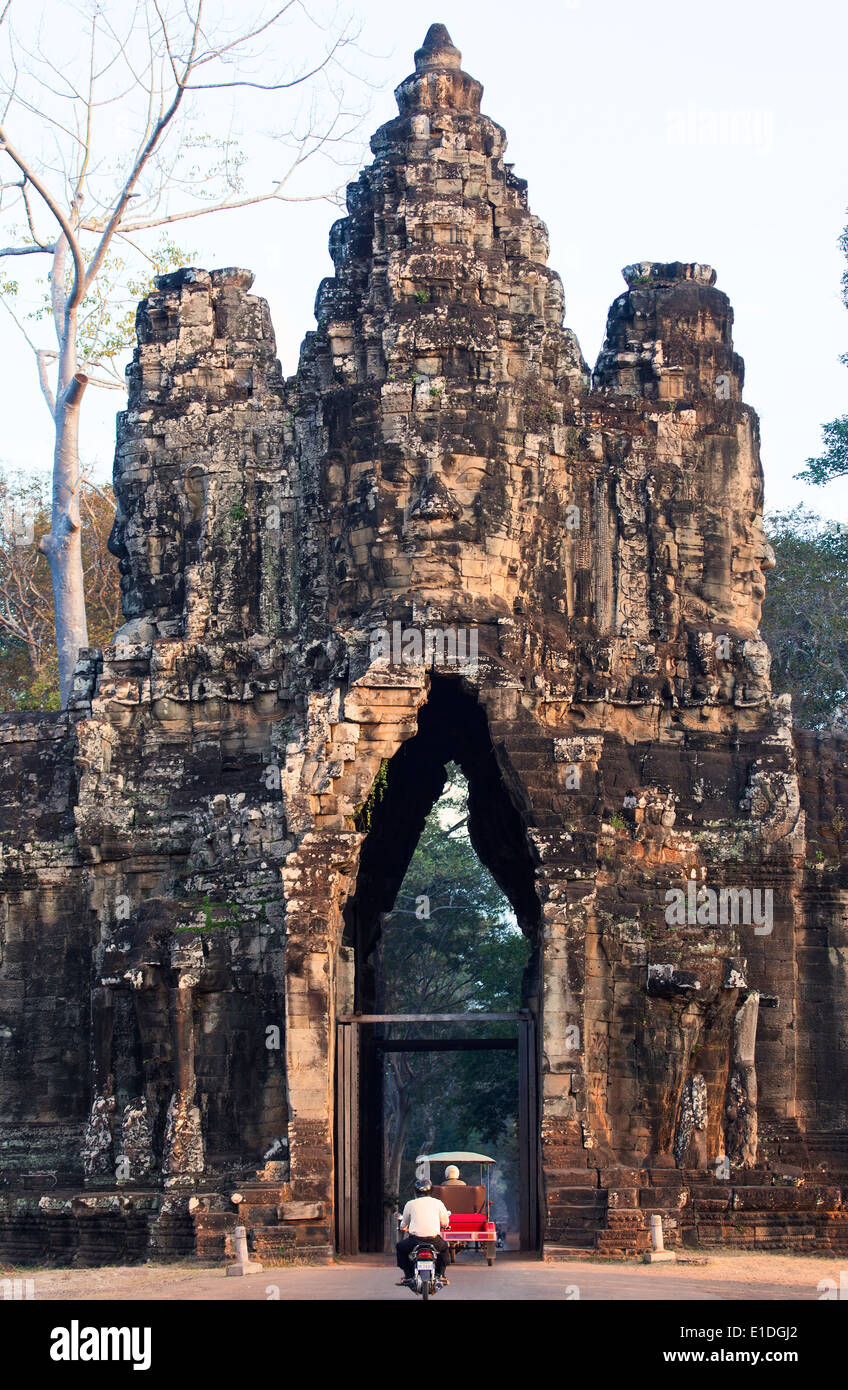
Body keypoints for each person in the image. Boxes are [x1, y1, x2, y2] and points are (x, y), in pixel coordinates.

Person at [396, 1178, 451, 1285]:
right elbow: (445, 1222)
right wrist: (445, 1226)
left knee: (400, 1247)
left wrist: (403, 1227)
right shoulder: (438, 1203)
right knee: (444, 1248)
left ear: (415, 1191)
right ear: (431, 1190)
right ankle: (441, 1275)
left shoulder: (410, 1204)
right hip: (434, 1240)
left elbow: (404, 1223)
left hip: (415, 1240)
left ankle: (408, 1275)